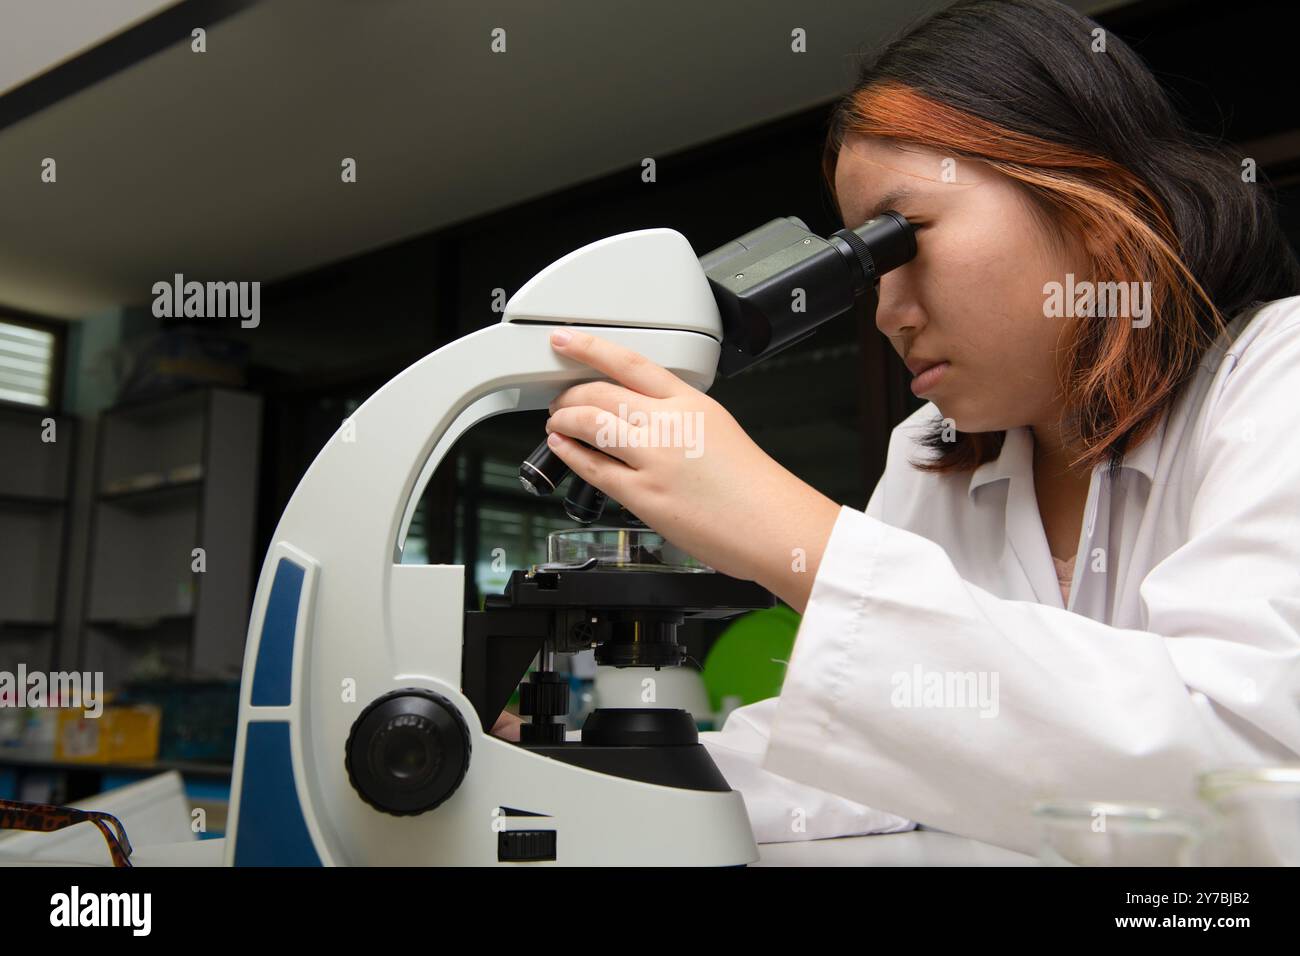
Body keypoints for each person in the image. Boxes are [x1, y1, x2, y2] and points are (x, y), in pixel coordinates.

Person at [515, 0, 1300, 854]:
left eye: (905, 236)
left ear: (1090, 202)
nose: (886, 310)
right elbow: (877, 756)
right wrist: (567, 777)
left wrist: (790, 534)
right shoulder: (928, 455)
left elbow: (1249, 781)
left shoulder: (1277, 380)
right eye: (867, 260)